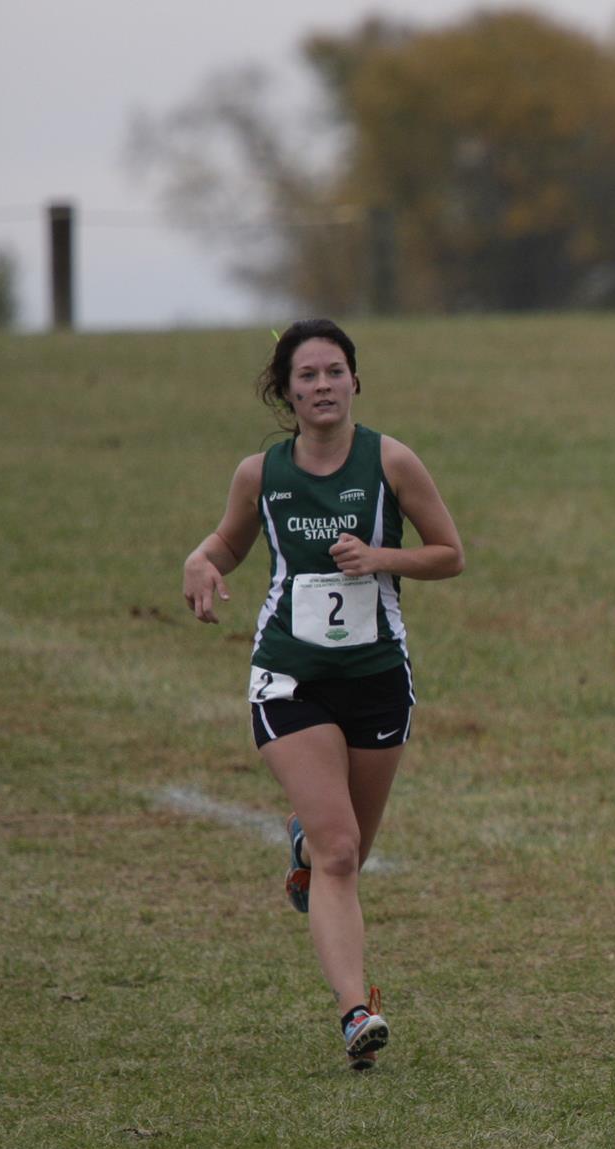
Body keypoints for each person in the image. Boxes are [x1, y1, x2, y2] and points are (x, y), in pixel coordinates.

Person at [182, 318, 464, 1071]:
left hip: (377, 680)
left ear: (355, 381)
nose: (322, 386)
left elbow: (449, 553)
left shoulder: (391, 461)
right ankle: (355, 1012)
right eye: (306, 375)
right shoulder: (261, 473)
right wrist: (202, 560)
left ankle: (304, 843)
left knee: (348, 852)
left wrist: (380, 557)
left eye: (334, 371)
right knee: (341, 852)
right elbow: (230, 542)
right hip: (290, 678)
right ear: (286, 391)